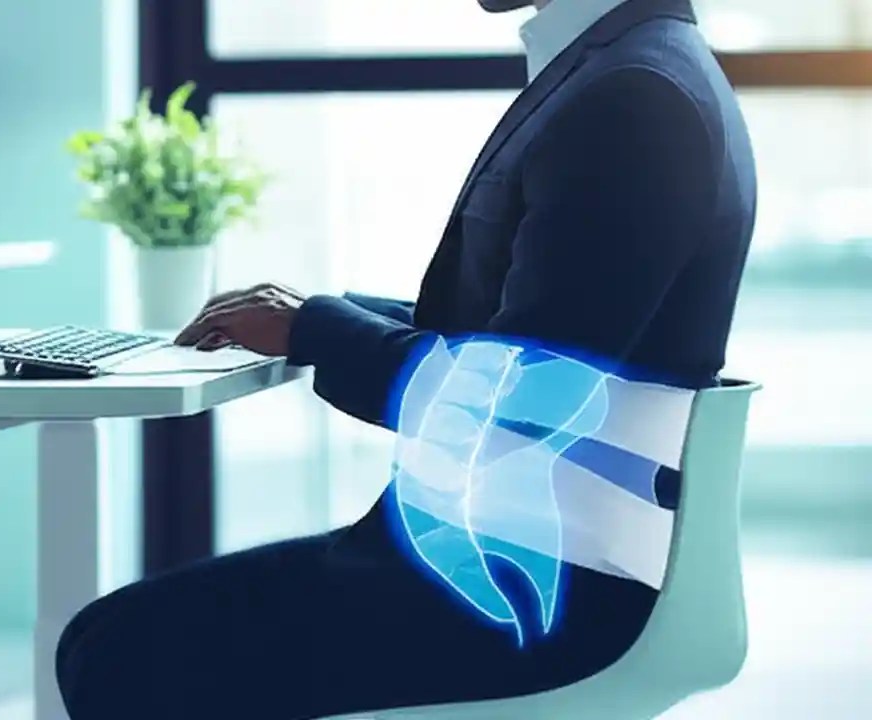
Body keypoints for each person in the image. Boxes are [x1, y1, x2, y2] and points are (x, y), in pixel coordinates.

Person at [56, 0, 757, 717]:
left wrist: (316, 331)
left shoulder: (635, 96)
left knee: (113, 652)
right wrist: (318, 314)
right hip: (524, 565)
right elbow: (524, 332)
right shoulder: (639, 66)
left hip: (533, 594)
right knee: (104, 639)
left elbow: (518, 397)